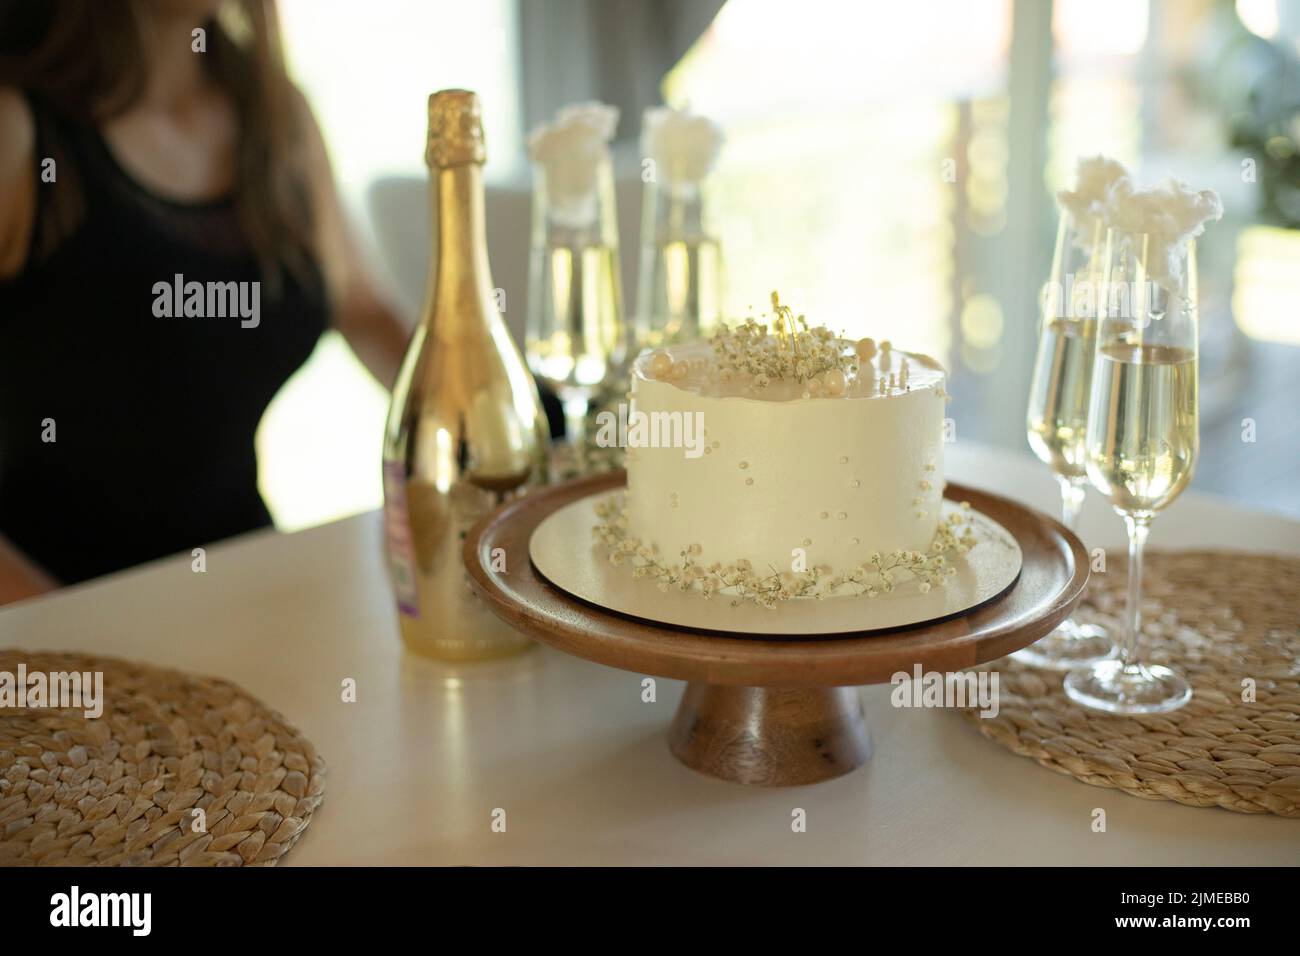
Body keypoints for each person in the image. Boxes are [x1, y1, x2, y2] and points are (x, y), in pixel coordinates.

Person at [0, 0, 412, 604]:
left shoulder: (277, 120)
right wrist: (64, 640)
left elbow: (367, 314)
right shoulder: (18, 129)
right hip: (52, 635)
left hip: (239, 600)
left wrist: (534, 430)